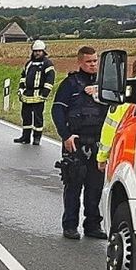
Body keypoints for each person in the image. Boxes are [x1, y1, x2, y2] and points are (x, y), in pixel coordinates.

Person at [51, 45, 109, 240]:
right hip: (75, 142)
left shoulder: (104, 84)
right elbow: (57, 110)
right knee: (73, 185)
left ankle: (92, 225)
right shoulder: (70, 84)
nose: (92, 65)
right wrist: (65, 135)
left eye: (95, 61)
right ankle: (70, 225)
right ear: (80, 62)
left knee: (95, 187)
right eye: (88, 61)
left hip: (98, 143)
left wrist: (99, 91)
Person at [97, 54, 136, 172]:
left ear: (133, 69)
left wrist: (102, 157)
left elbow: (109, 129)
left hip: (126, 156)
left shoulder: (124, 95)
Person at [13, 40, 55, 145]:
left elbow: (50, 80)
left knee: (38, 118)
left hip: (39, 95)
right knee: (26, 116)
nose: (37, 53)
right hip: (27, 95)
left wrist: (44, 94)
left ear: (43, 51)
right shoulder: (29, 64)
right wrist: (21, 89)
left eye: (39, 51)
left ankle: (37, 138)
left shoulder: (47, 64)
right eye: (35, 51)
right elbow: (23, 77)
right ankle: (25, 137)